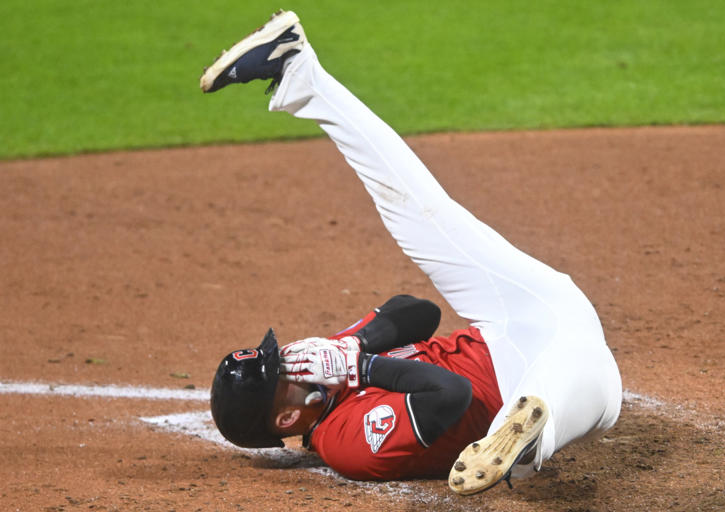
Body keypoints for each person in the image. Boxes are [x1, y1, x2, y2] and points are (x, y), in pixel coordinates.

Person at [202, 10, 622, 495]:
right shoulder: (345, 442)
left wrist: (352, 347)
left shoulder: (333, 363)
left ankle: (299, 72)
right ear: (288, 415)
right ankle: (522, 442)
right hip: (554, 386)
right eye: (282, 371)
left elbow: (419, 311)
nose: (293, 359)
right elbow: (451, 394)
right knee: (553, 401)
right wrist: (363, 370)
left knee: (426, 218)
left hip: (529, 315)